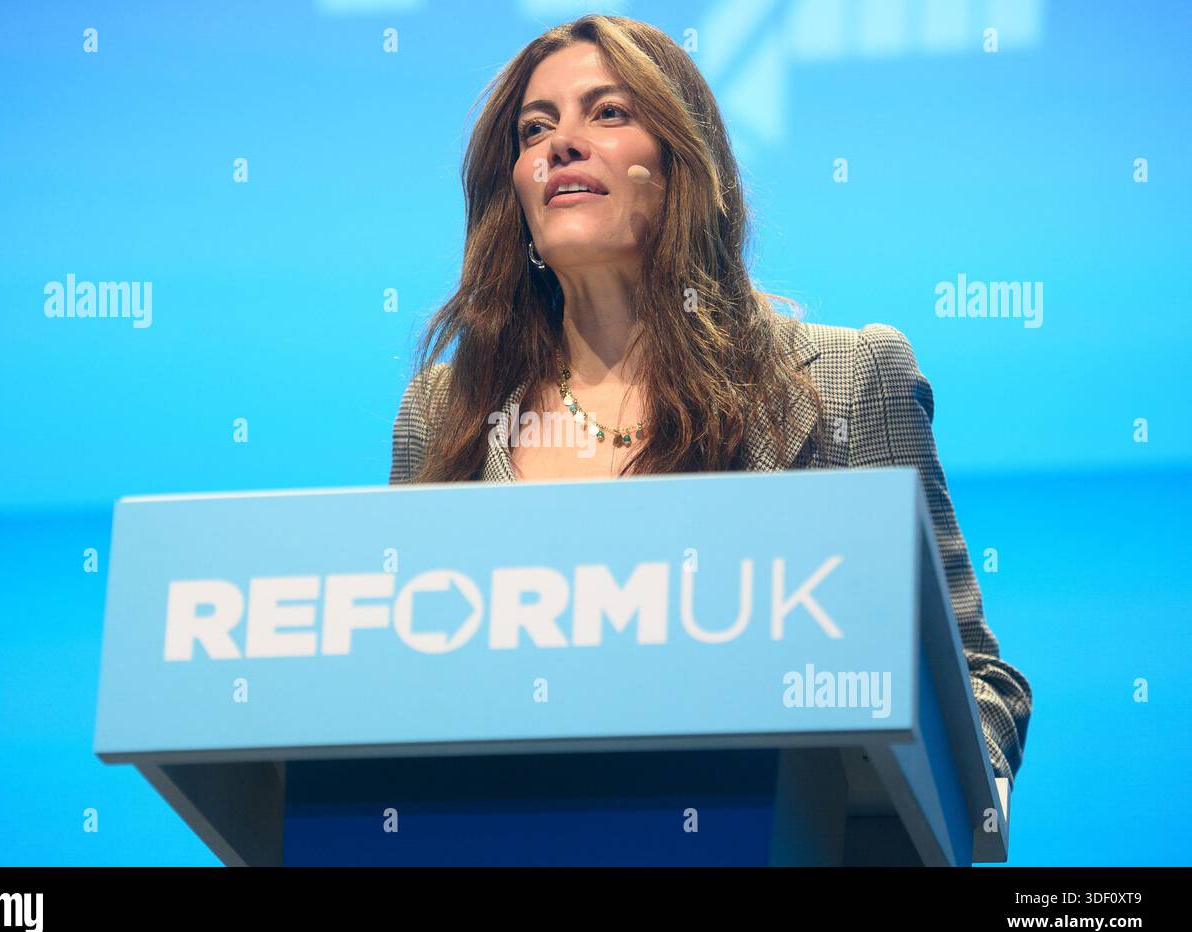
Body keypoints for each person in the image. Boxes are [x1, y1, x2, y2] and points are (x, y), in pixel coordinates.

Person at [389, 14, 1031, 790]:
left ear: (680, 165)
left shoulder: (848, 377)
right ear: (516, 195)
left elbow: (973, 682)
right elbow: (407, 679)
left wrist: (961, 800)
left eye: (609, 113)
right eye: (535, 128)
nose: (561, 142)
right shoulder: (447, 410)